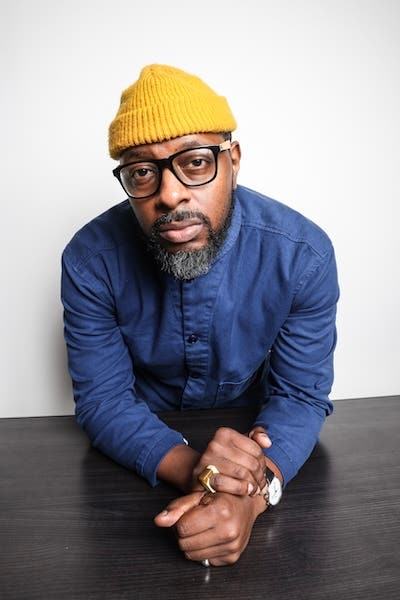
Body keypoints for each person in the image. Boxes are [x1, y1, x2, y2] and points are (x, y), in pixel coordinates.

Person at [61, 64, 339, 567]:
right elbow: (104, 401)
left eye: (194, 162)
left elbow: (300, 396)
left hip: (257, 434)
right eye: (142, 171)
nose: (169, 195)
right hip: (145, 438)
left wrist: (252, 494)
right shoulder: (89, 260)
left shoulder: (303, 256)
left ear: (233, 160)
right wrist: (203, 474)